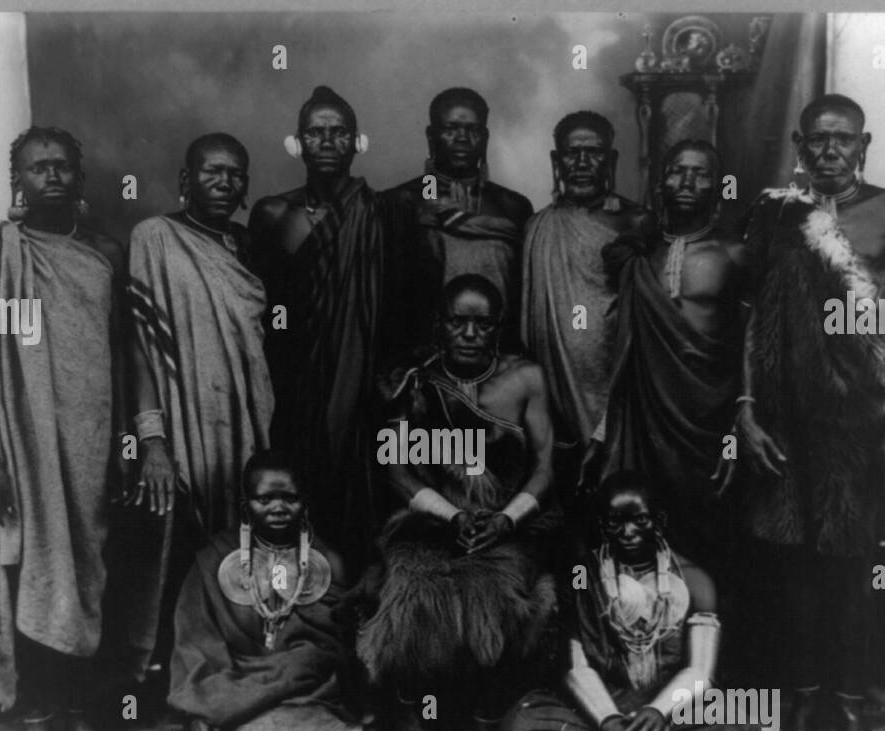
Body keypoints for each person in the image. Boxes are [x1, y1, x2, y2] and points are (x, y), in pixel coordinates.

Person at [737, 94, 885, 731]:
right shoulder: (775, 215)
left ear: (863, 145)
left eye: (842, 139)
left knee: (850, 569)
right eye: (817, 139)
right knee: (792, 570)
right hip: (786, 417)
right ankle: (800, 697)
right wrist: (747, 409)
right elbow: (754, 316)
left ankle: (849, 705)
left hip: (858, 421)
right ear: (799, 141)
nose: (829, 150)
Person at [145, 452, 473, 731]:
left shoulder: (328, 560)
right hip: (225, 693)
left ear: (305, 503)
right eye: (264, 499)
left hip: (304, 697)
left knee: (278, 728)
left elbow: (325, 653)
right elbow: (194, 645)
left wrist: (255, 694)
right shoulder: (212, 559)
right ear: (246, 505)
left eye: (290, 498)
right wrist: (205, 710)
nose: (277, 507)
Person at [0, 126, 123, 731]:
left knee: (87, 572)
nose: (51, 176)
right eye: (37, 168)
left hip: (88, 439)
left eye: (62, 167)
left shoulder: (105, 253)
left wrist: (132, 443)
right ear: (17, 182)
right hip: (20, 445)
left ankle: (78, 714)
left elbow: (120, 352)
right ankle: (35, 717)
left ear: (80, 182)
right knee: (26, 566)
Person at [357, 274, 557, 731]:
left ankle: (489, 717)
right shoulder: (412, 379)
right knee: (409, 593)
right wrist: (450, 516)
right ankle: (409, 713)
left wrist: (506, 520)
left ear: (497, 329)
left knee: (500, 599)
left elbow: (547, 464)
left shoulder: (526, 378)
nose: (470, 333)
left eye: (482, 324)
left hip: (505, 525)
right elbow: (396, 468)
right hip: (429, 524)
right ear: (439, 325)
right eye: (458, 322)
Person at [120, 132, 275, 677]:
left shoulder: (248, 246)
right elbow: (140, 348)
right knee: (176, 551)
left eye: (235, 173)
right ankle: (161, 680)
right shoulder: (155, 238)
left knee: (239, 544)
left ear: (245, 186)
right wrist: (153, 440)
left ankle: (229, 674)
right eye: (211, 171)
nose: (224, 181)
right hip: (181, 427)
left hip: (246, 421)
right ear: (186, 181)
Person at [499, 472, 767, 731]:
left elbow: (700, 672)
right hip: (599, 703)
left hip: (671, 704)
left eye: (639, 521)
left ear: (659, 521)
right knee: (519, 726)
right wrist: (610, 722)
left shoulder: (695, 580)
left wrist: (657, 711)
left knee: (741, 730)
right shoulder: (583, 576)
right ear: (602, 525)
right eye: (615, 522)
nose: (627, 532)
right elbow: (577, 666)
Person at [592, 140, 750, 575]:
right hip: (649, 421)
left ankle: (709, 632)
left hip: (710, 423)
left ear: (718, 186)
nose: (687, 181)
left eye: (700, 173)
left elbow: (751, 346)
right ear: (661, 182)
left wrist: (739, 428)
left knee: (712, 536)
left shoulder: (735, 253)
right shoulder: (637, 255)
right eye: (677, 171)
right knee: (647, 530)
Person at [249, 86, 386, 566]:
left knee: (356, 499)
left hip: (358, 385)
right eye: (316, 132)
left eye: (339, 132)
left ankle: (349, 612)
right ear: (298, 143)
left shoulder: (380, 214)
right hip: (292, 382)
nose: (327, 141)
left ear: (356, 142)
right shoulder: (271, 213)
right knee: (296, 487)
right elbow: (256, 303)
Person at [519, 111, 648, 494]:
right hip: (552, 376)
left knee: (616, 477)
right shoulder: (537, 225)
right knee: (561, 484)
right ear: (556, 161)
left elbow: (647, 313)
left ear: (611, 161)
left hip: (613, 375)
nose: (581, 163)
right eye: (571, 153)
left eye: (593, 153)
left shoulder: (636, 222)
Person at [383, 87, 532, 355]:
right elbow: (388, 297)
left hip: (496, 353)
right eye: (450, 128)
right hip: (420, 352)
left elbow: (525, 298)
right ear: (431, 136)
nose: (462, 138)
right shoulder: (400, 202)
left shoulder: (512, 207)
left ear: (485, 138)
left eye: (472, 130)